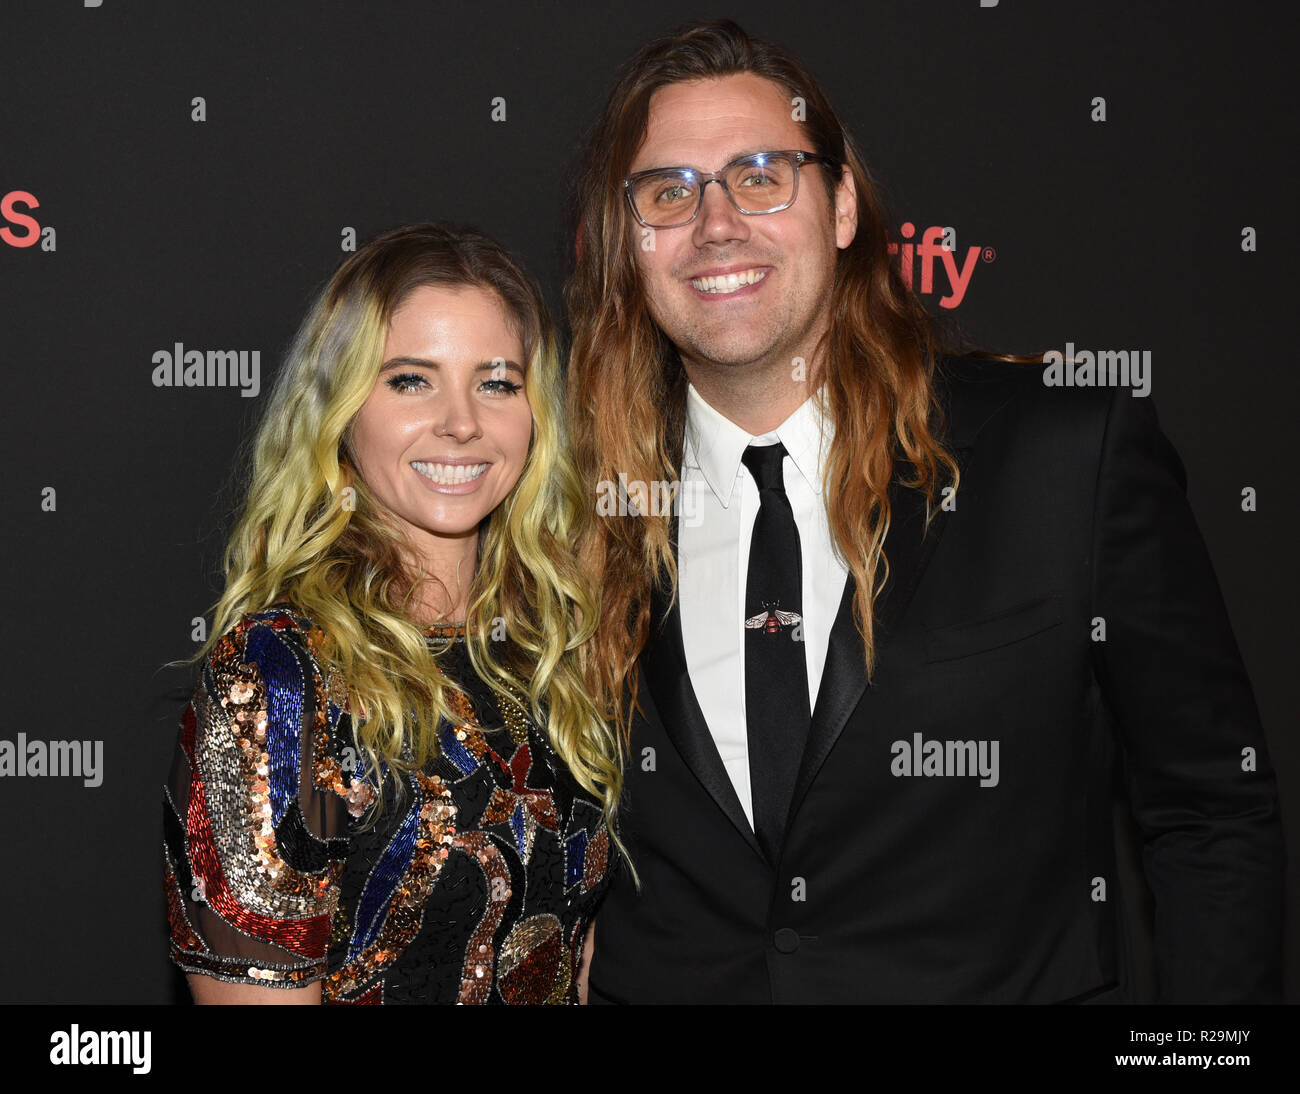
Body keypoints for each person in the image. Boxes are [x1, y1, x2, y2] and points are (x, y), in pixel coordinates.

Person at [563, 19, 1284, 1003]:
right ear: (627, 241)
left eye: (761, 175)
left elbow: (1210, 813)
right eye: (667, 192)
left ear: (845, 204)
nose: (715, 222)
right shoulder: (568, 509)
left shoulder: (1066, 456)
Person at [162, 223, 624, 1004]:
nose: (461, 422)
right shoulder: (278, 674)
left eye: (497, 382)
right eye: (411, 380)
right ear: (340, 410)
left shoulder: (551, 652)